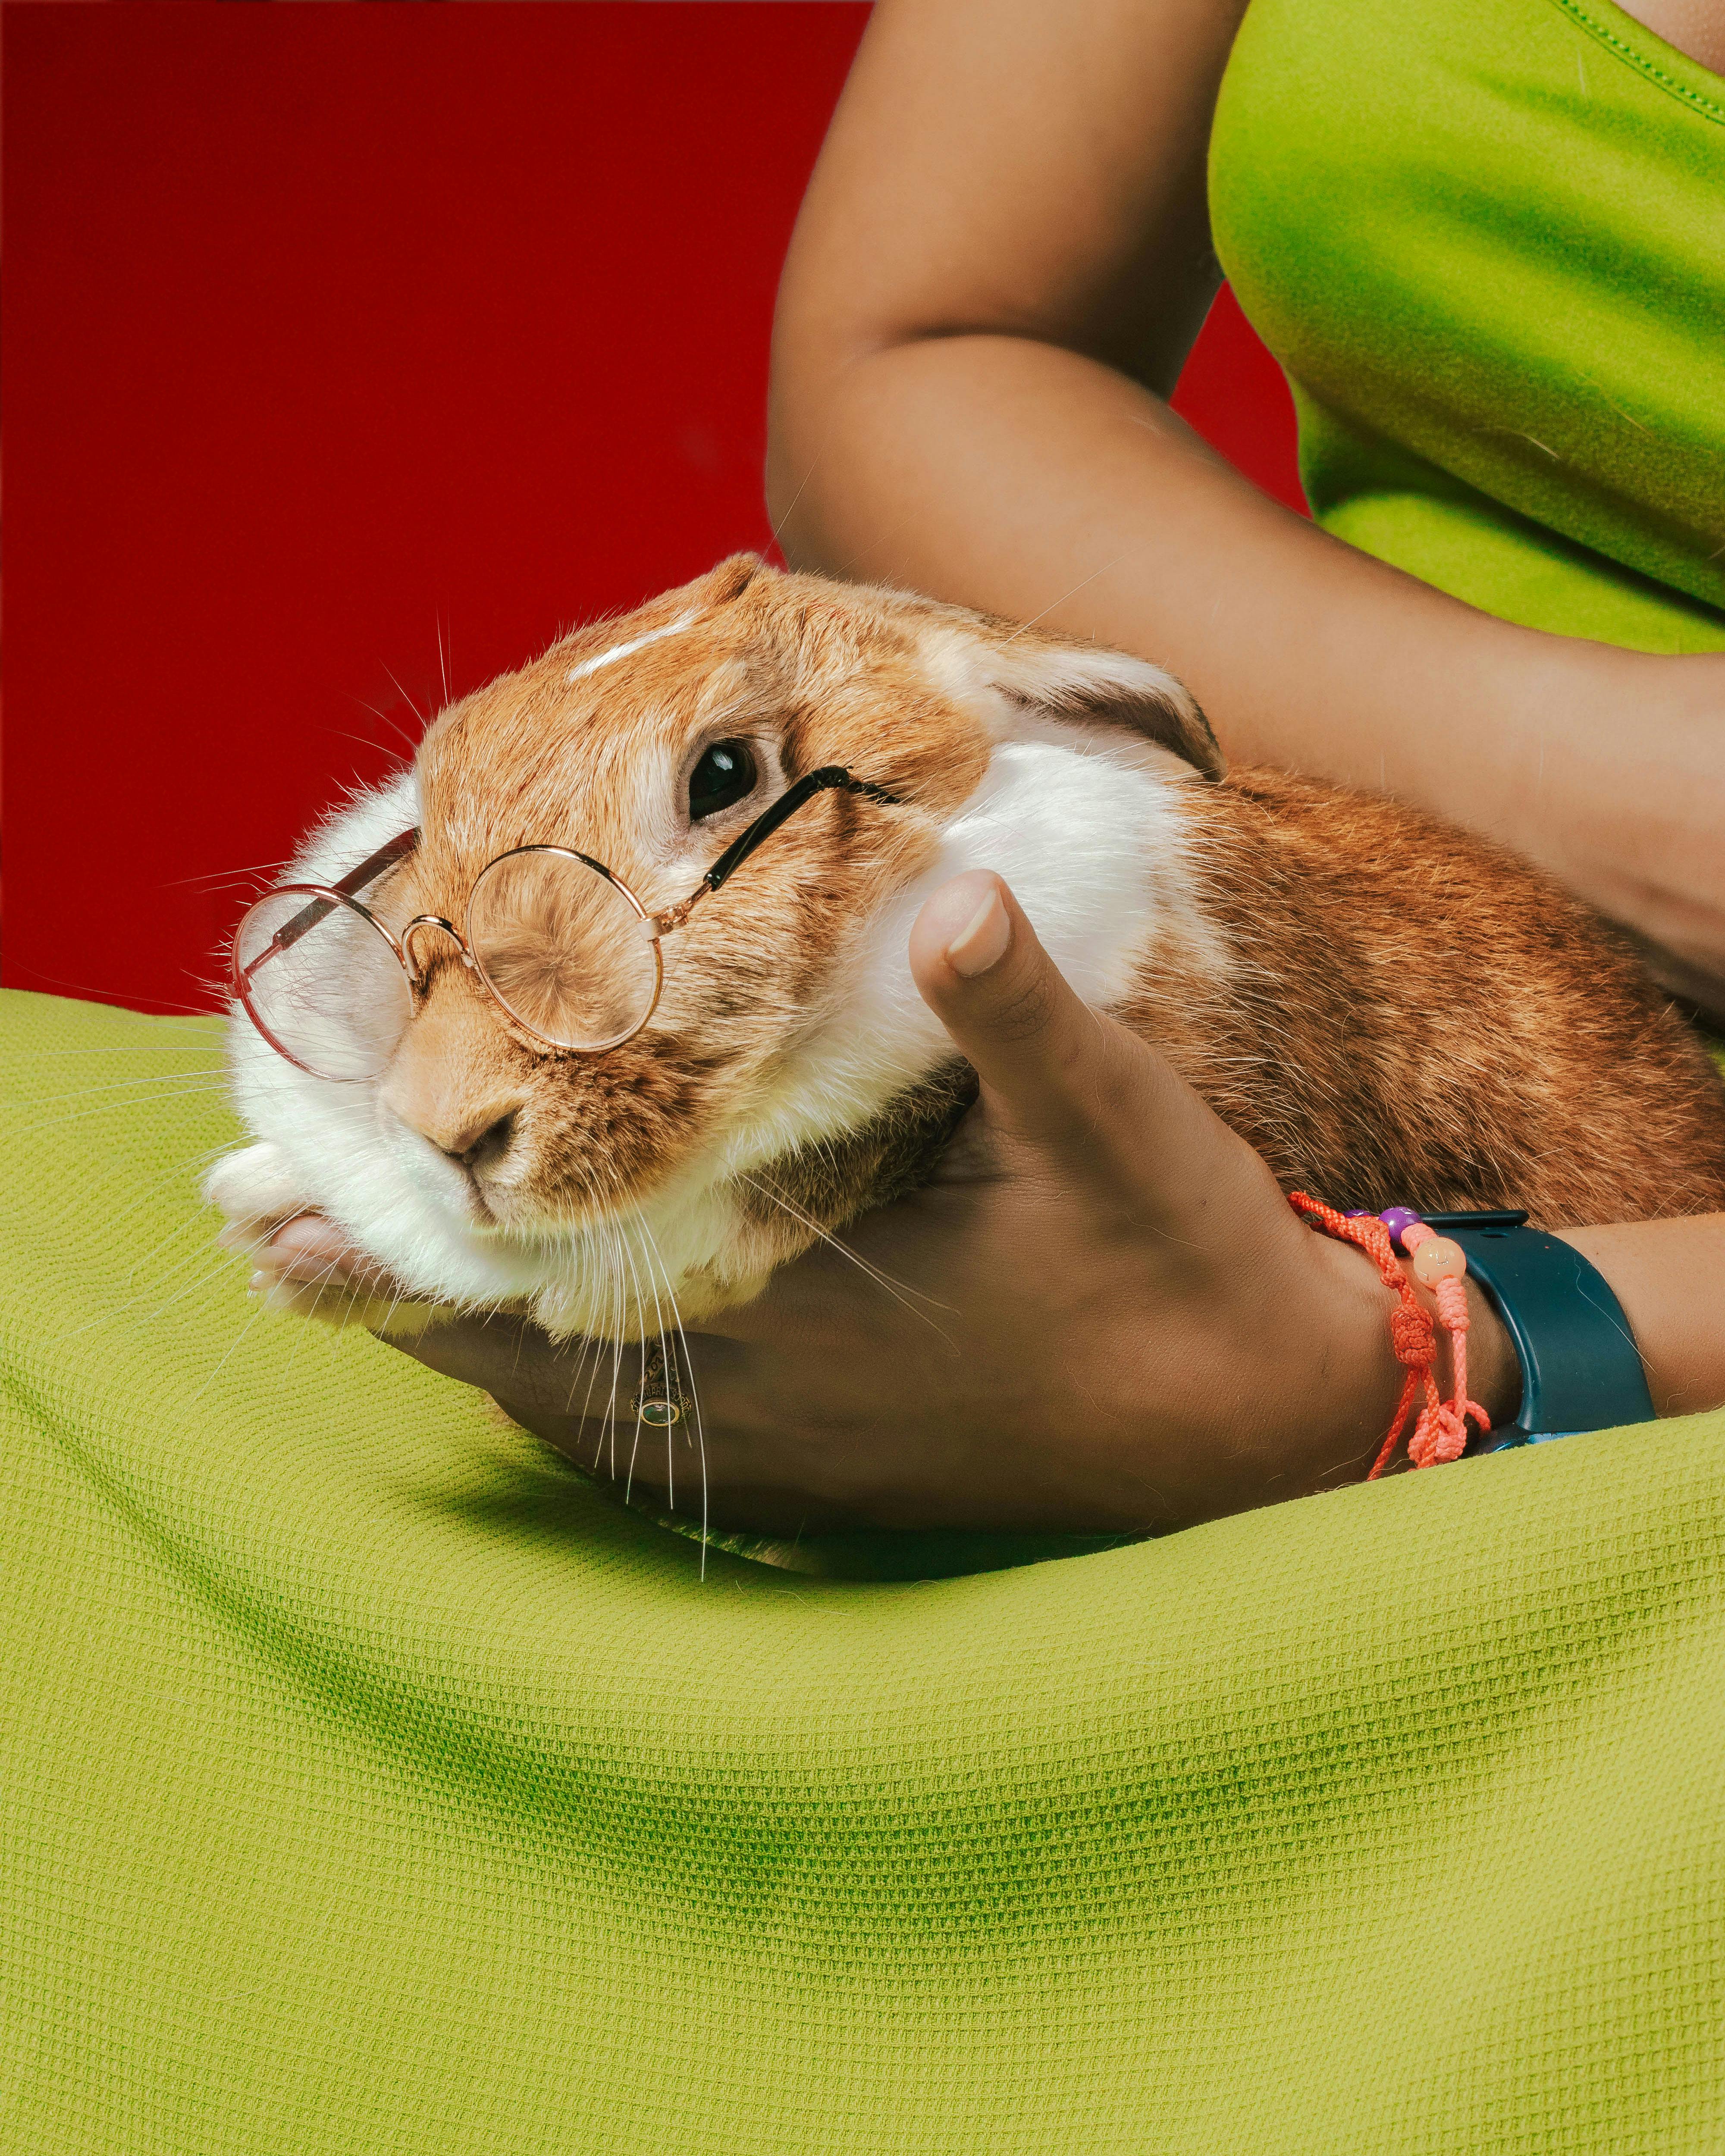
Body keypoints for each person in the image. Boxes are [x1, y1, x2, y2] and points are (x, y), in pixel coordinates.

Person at [256, 0, 1725, 1537]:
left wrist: (1409, 1359)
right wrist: (1612, 798)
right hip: (1323, 905)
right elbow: (930, 345)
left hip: (1585, 1330)